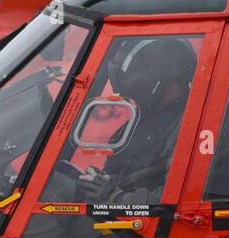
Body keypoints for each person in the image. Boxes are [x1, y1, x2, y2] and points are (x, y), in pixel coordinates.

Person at [80, 37, 198, 203]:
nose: (127, 85)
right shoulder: (144, 119)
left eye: (134, 73)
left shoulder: (191, 125)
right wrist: (100, 182)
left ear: (157, 73)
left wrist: (116, 197)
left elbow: (173, 201)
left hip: (140, 223)